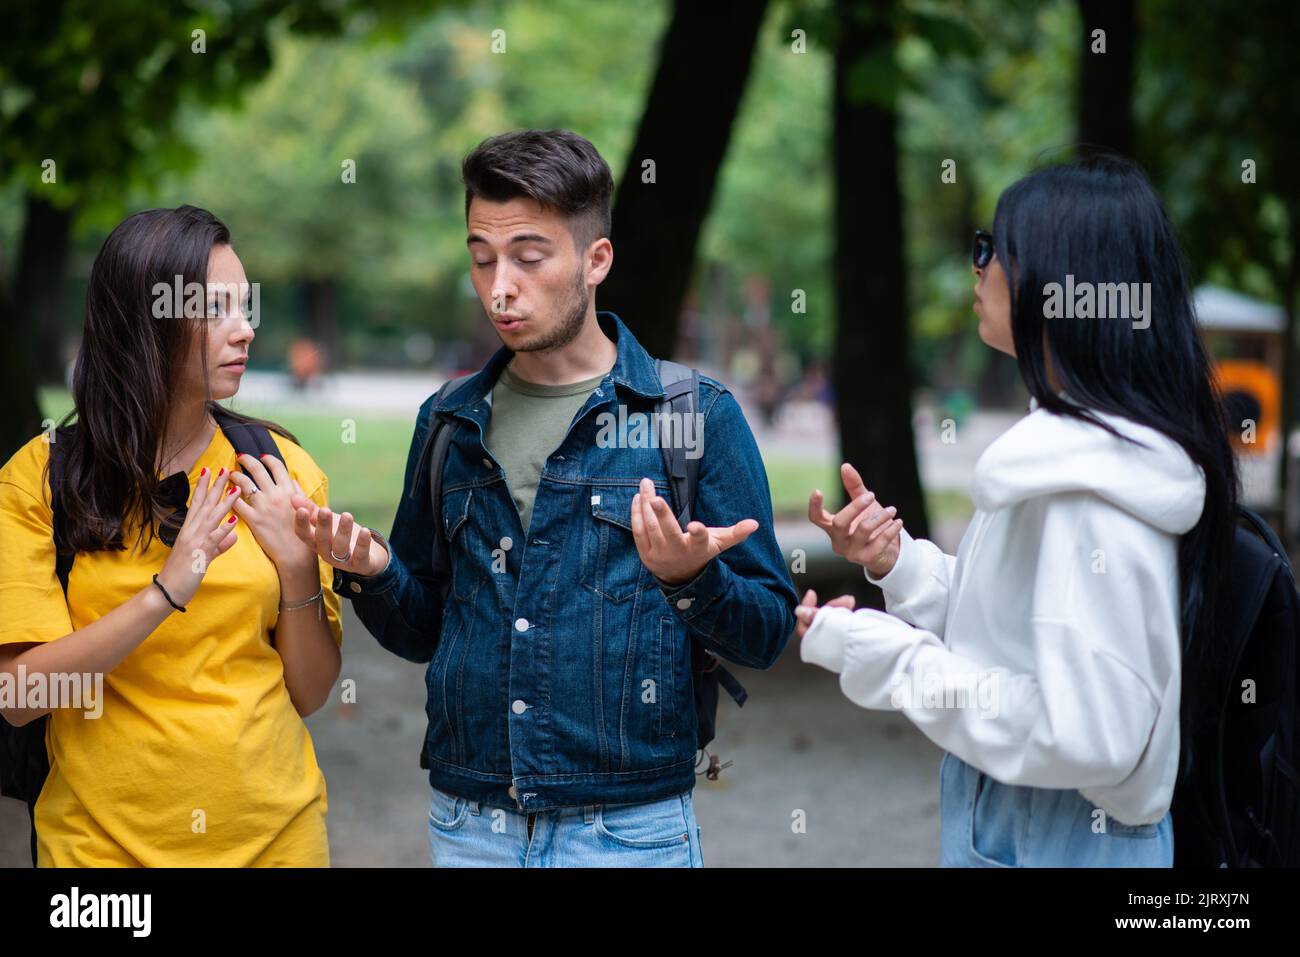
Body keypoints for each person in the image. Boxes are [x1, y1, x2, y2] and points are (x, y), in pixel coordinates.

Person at [291, 128, 797, 867]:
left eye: (529, 258)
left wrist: (695, 580)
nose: (500, 285)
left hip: (629, 833)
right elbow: (424, 631)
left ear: (596, 260)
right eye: (481, 258)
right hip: (469, 826)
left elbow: (767, 632)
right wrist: (373, 573)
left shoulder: (691, 413)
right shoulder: (448, 421)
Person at [797, 154, 1238, 867]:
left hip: (1054, 832)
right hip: (1028, 817)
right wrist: (898, 563)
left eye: (988, 248)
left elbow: (1091, 733)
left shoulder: (1091, 488)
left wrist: (893, 658)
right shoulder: (1078, 457)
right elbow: (1018, 637)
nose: (976, 268)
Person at [0, 205, 344, 866]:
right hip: (98, 853)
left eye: (246, 308)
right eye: (218, 310)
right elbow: (18, 698)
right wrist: (165, 591)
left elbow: (310, 691)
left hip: (279, 840)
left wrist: (299, 567)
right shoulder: (39, 479)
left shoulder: (280, 470)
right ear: (146, 321)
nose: (245, 331)